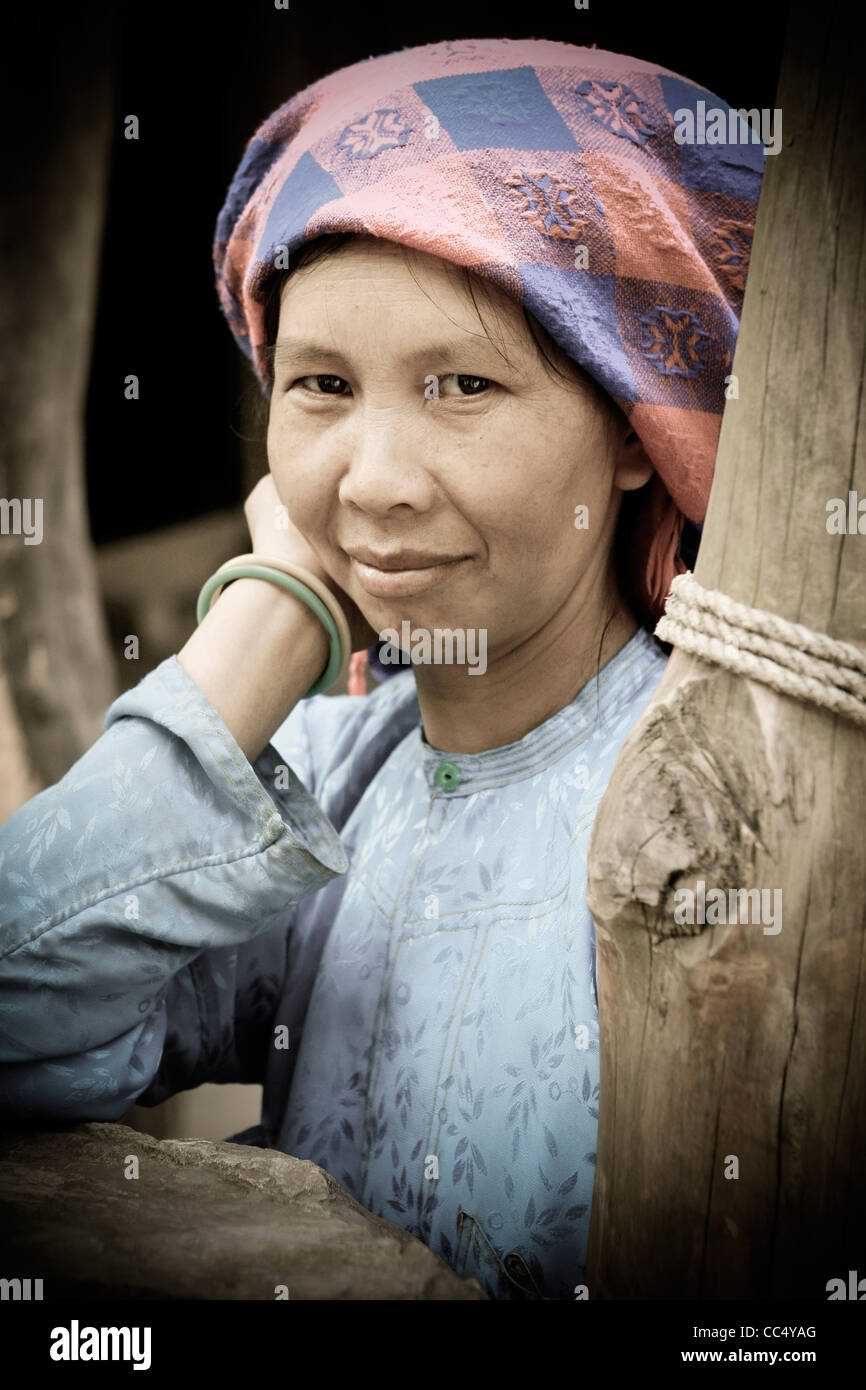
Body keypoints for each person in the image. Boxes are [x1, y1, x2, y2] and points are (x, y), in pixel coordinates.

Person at [0, 37, 763, 1300]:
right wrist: (267, 613)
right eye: (320, 387)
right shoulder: (327, 777)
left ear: (634, 427)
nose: (373, 481)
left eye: (460, 384)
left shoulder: (736, 807)